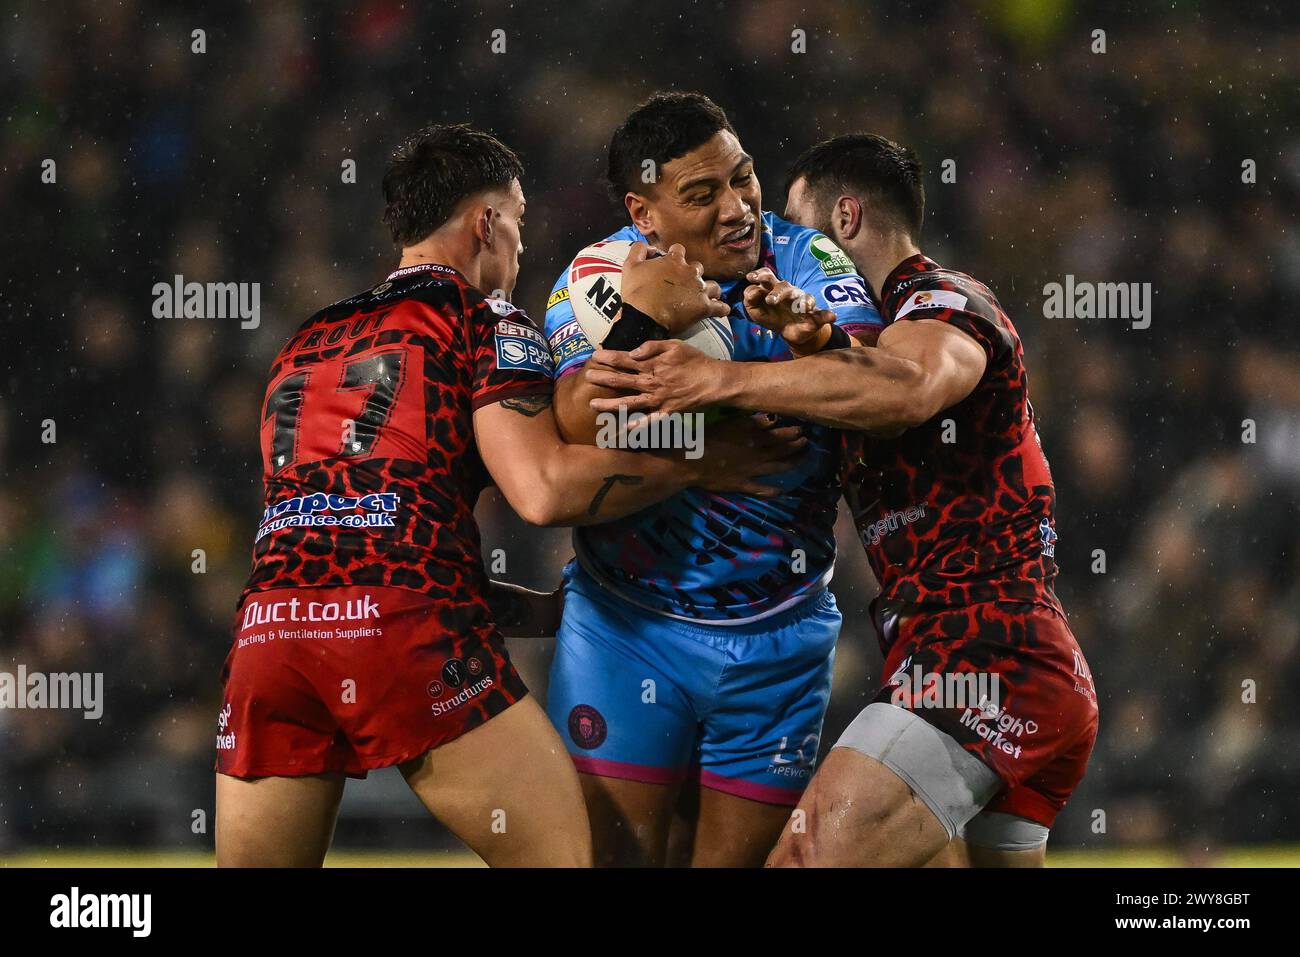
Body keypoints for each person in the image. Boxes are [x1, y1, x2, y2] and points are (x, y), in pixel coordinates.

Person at [214, 123, 799, 867]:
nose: (521, 246)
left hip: (270, 636)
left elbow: (350, 535)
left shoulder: (307, 340)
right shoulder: (480, 317)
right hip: (404, 634)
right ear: (486, 223)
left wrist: (533, 609)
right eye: (518, 221)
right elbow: (543, 488)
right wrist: (701, 459)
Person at [586, 133, 1099, 867]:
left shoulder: (943, 300)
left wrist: (717, 382)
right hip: (980, 659)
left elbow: (905, 389)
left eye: (797, 227)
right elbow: (858, 381)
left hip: (985, 655)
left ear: (848, 219)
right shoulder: (861, 342)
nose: (782, 246)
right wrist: (805, 338)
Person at [542, 93, 884, 867]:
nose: (738, 210)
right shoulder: (599, 275)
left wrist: (816, 339)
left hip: (777, 633)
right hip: (626, 628)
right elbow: (571, 422)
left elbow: (871, 390)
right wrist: (644, 326)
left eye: (743, 178)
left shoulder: (809, 263)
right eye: (702, 195)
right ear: (645, 210)